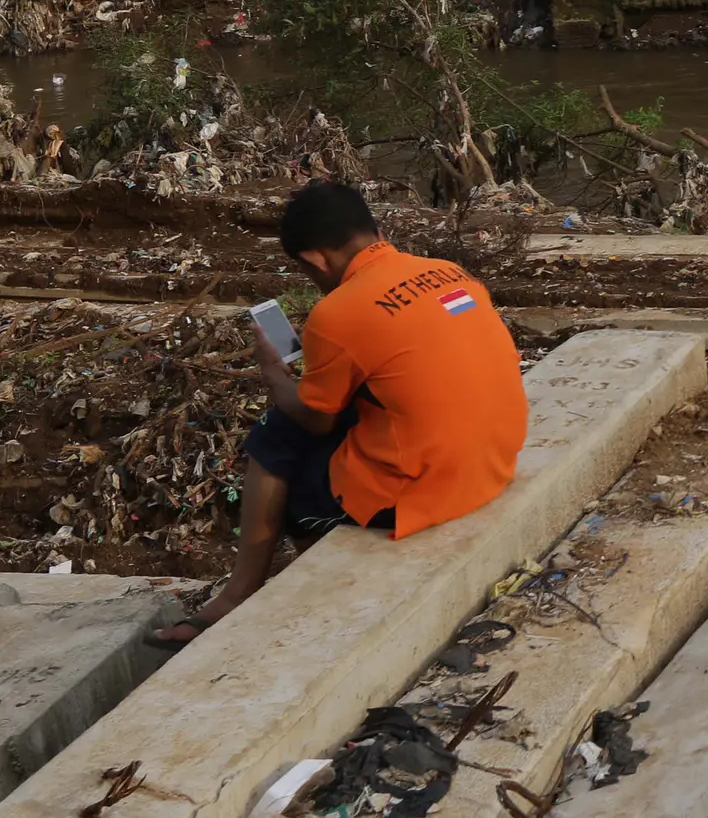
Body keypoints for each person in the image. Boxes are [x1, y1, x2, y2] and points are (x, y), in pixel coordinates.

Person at [150, 181, 528, 646]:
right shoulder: (449, 271)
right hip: (493, 463)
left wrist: (274, 376)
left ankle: (247, 594)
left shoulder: (337, 313)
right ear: (374, 229)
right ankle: (246, 591)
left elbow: (316, 419)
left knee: (276, 434)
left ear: (314, 260)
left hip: (426, 492)